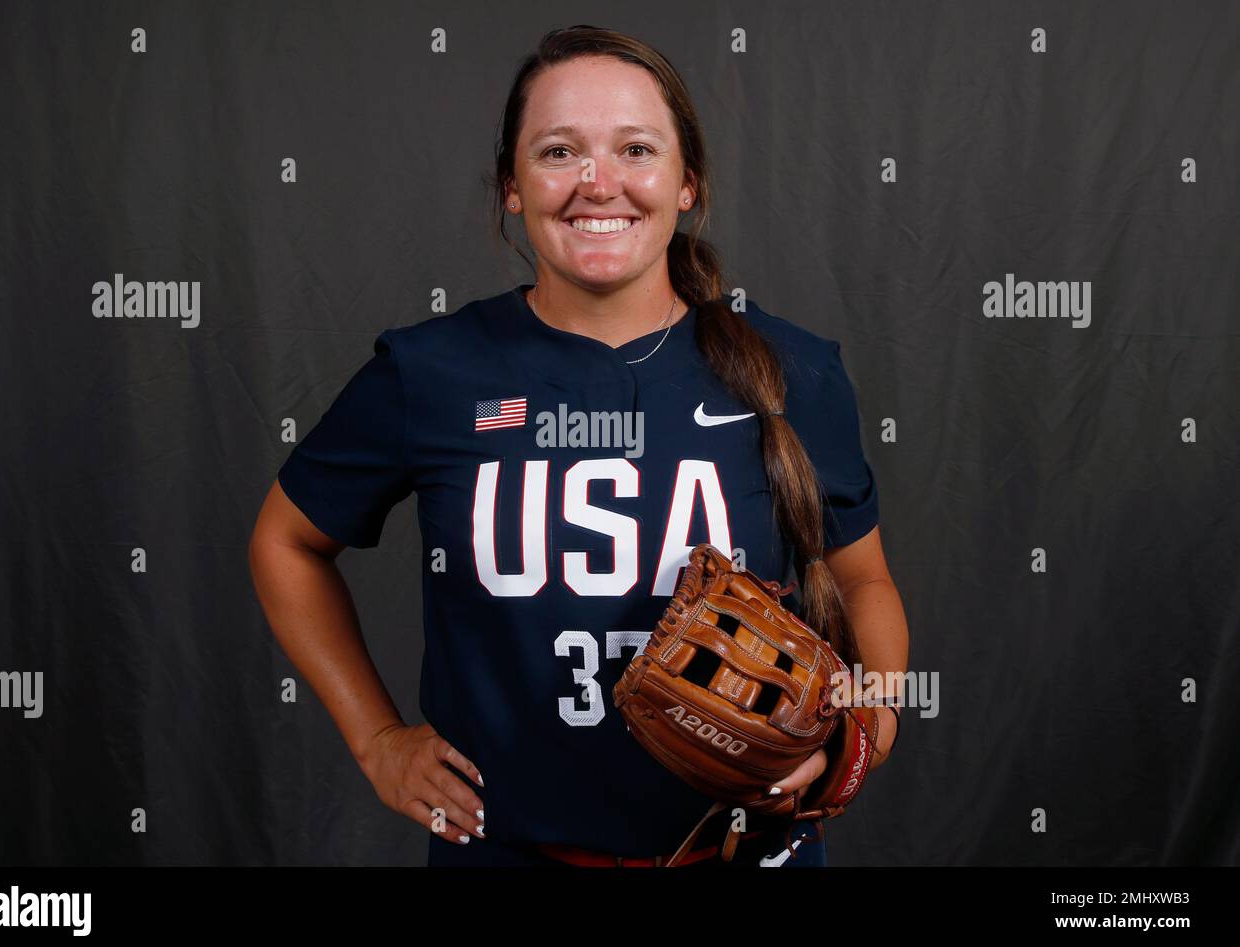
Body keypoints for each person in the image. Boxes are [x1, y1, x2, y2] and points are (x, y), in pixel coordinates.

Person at [248, 24, 909, 868]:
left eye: (636, 148)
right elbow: (286, 541)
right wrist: (377, 737)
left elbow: (864, 579)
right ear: (512, 188)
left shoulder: (793, 372)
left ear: (687, 183)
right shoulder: (434, 372)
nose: (599, 183)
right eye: (559, 152)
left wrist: (867, 727)